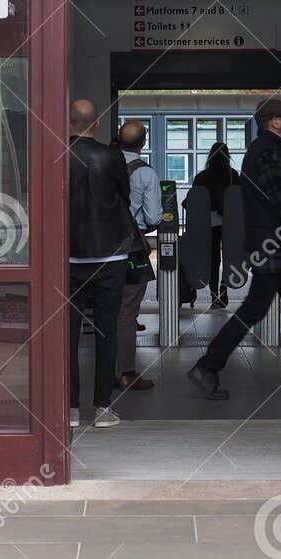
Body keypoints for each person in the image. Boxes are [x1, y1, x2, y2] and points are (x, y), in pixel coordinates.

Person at [187, 96, 281, 400]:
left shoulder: (267, 152)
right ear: (275, 121)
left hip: (279, 246)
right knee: (256, 308)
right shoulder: (269, 154)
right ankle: (208, 365)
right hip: (276, 247)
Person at [67, 99, 133, 429]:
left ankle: (71, 410)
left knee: (68, 333)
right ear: (95, 124)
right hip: (110, 255)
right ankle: (103, 408)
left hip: (68, 256)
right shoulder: (112, 155)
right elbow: (125, 196)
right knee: (107, 330)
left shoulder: (55, 155)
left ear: (68, 121)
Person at [114, 120, 159, 394]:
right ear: (143, 142)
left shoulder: (102, 165)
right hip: (131, 246)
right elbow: (153, 216)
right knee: (127, 311)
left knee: (106, 309)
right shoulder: (145, 174)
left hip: (98, 246)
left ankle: (105, 371)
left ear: (118, 141)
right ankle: (126, 373)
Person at [190, 141, 240, 309]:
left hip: (207, 223)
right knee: (229, 257)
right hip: (230, 222)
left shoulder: (203, 176)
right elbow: (241, 200)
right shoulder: (233, 175)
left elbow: (193, 200)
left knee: (213, 259)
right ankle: (224, 292)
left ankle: (213, 295)